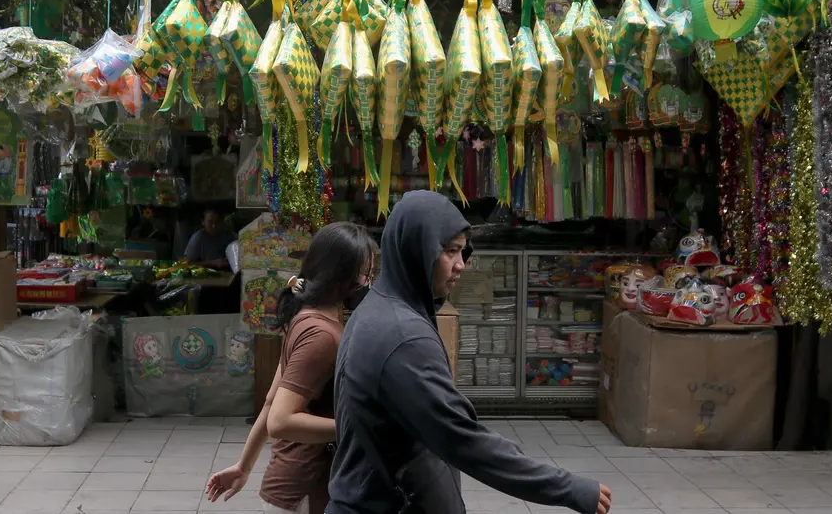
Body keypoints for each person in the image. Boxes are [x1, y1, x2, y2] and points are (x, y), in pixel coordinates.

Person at [326, 191, 612, 514]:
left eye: (463, 252)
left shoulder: (376, 310)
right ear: (418, 249)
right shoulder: (403, 337)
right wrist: (567, 488)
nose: (461, 265)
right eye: (450, 252)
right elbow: (464, 440)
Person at [206, 222, 376, 514]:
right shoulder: (322, 336)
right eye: (365, 274)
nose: (368, 282)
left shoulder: (305, 318)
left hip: (286, 488)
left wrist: (243, 466)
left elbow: (272, 401)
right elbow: (281, 420)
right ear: (340, 275)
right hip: (302, 491)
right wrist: (358, 428)